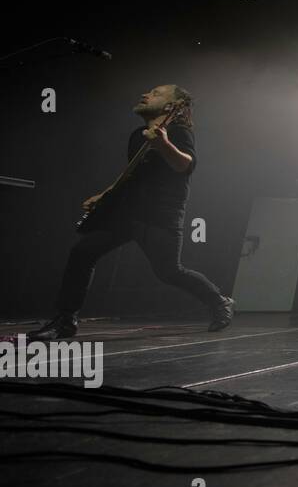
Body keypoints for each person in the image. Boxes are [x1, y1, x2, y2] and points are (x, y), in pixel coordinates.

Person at [32, 84, 235, 341]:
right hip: (127, 213)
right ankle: (65, 320)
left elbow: (185, 165)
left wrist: (164, 144)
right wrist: (104, 195)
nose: (146, 95)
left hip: (159, 215)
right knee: (82, 252)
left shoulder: (178, 131)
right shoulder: (138, 134)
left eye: (156, 93)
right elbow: (133, 176)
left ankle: (219, 301)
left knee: (169, 272)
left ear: (172, 106)